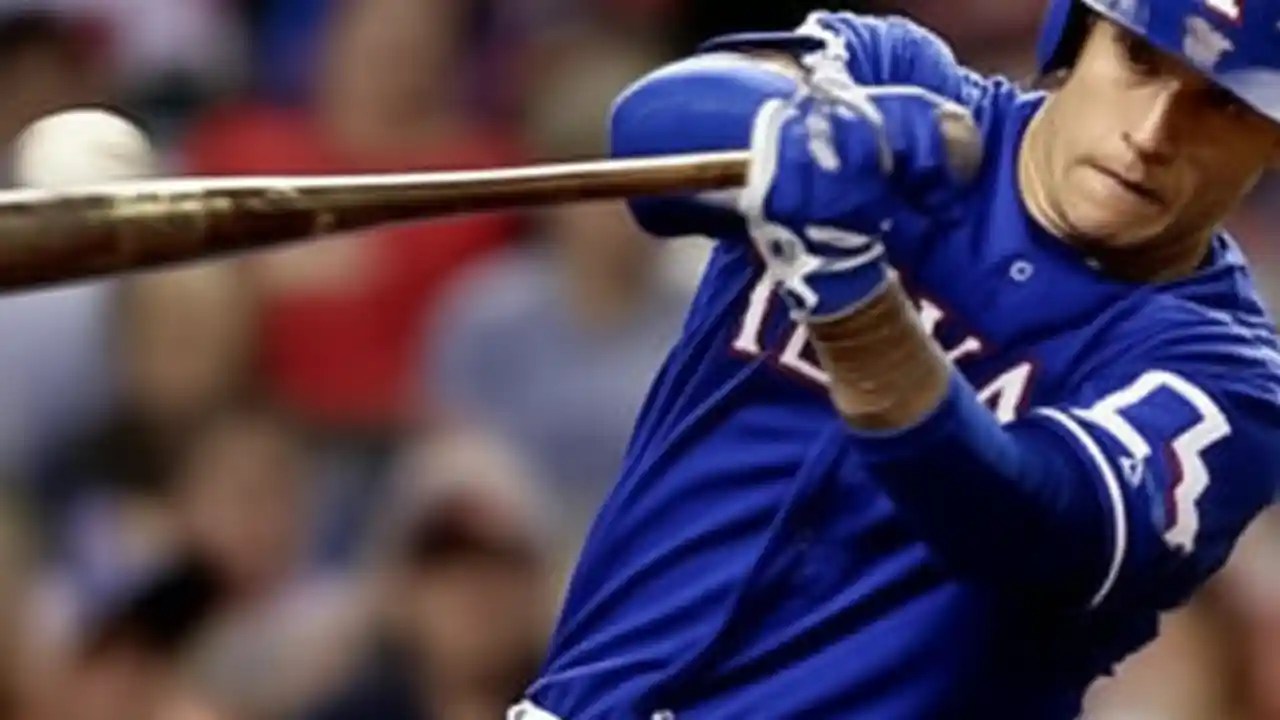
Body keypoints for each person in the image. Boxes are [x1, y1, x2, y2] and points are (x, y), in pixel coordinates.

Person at [511, 1, 1280, 718]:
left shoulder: (1222, 375)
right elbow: (651, 129)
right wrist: (794, 128)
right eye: (1140, 60)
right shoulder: (893, 75)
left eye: (1223, 104)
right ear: (1072, 33)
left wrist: (854, 298)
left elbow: (1032, 530)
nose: (1151, 133)